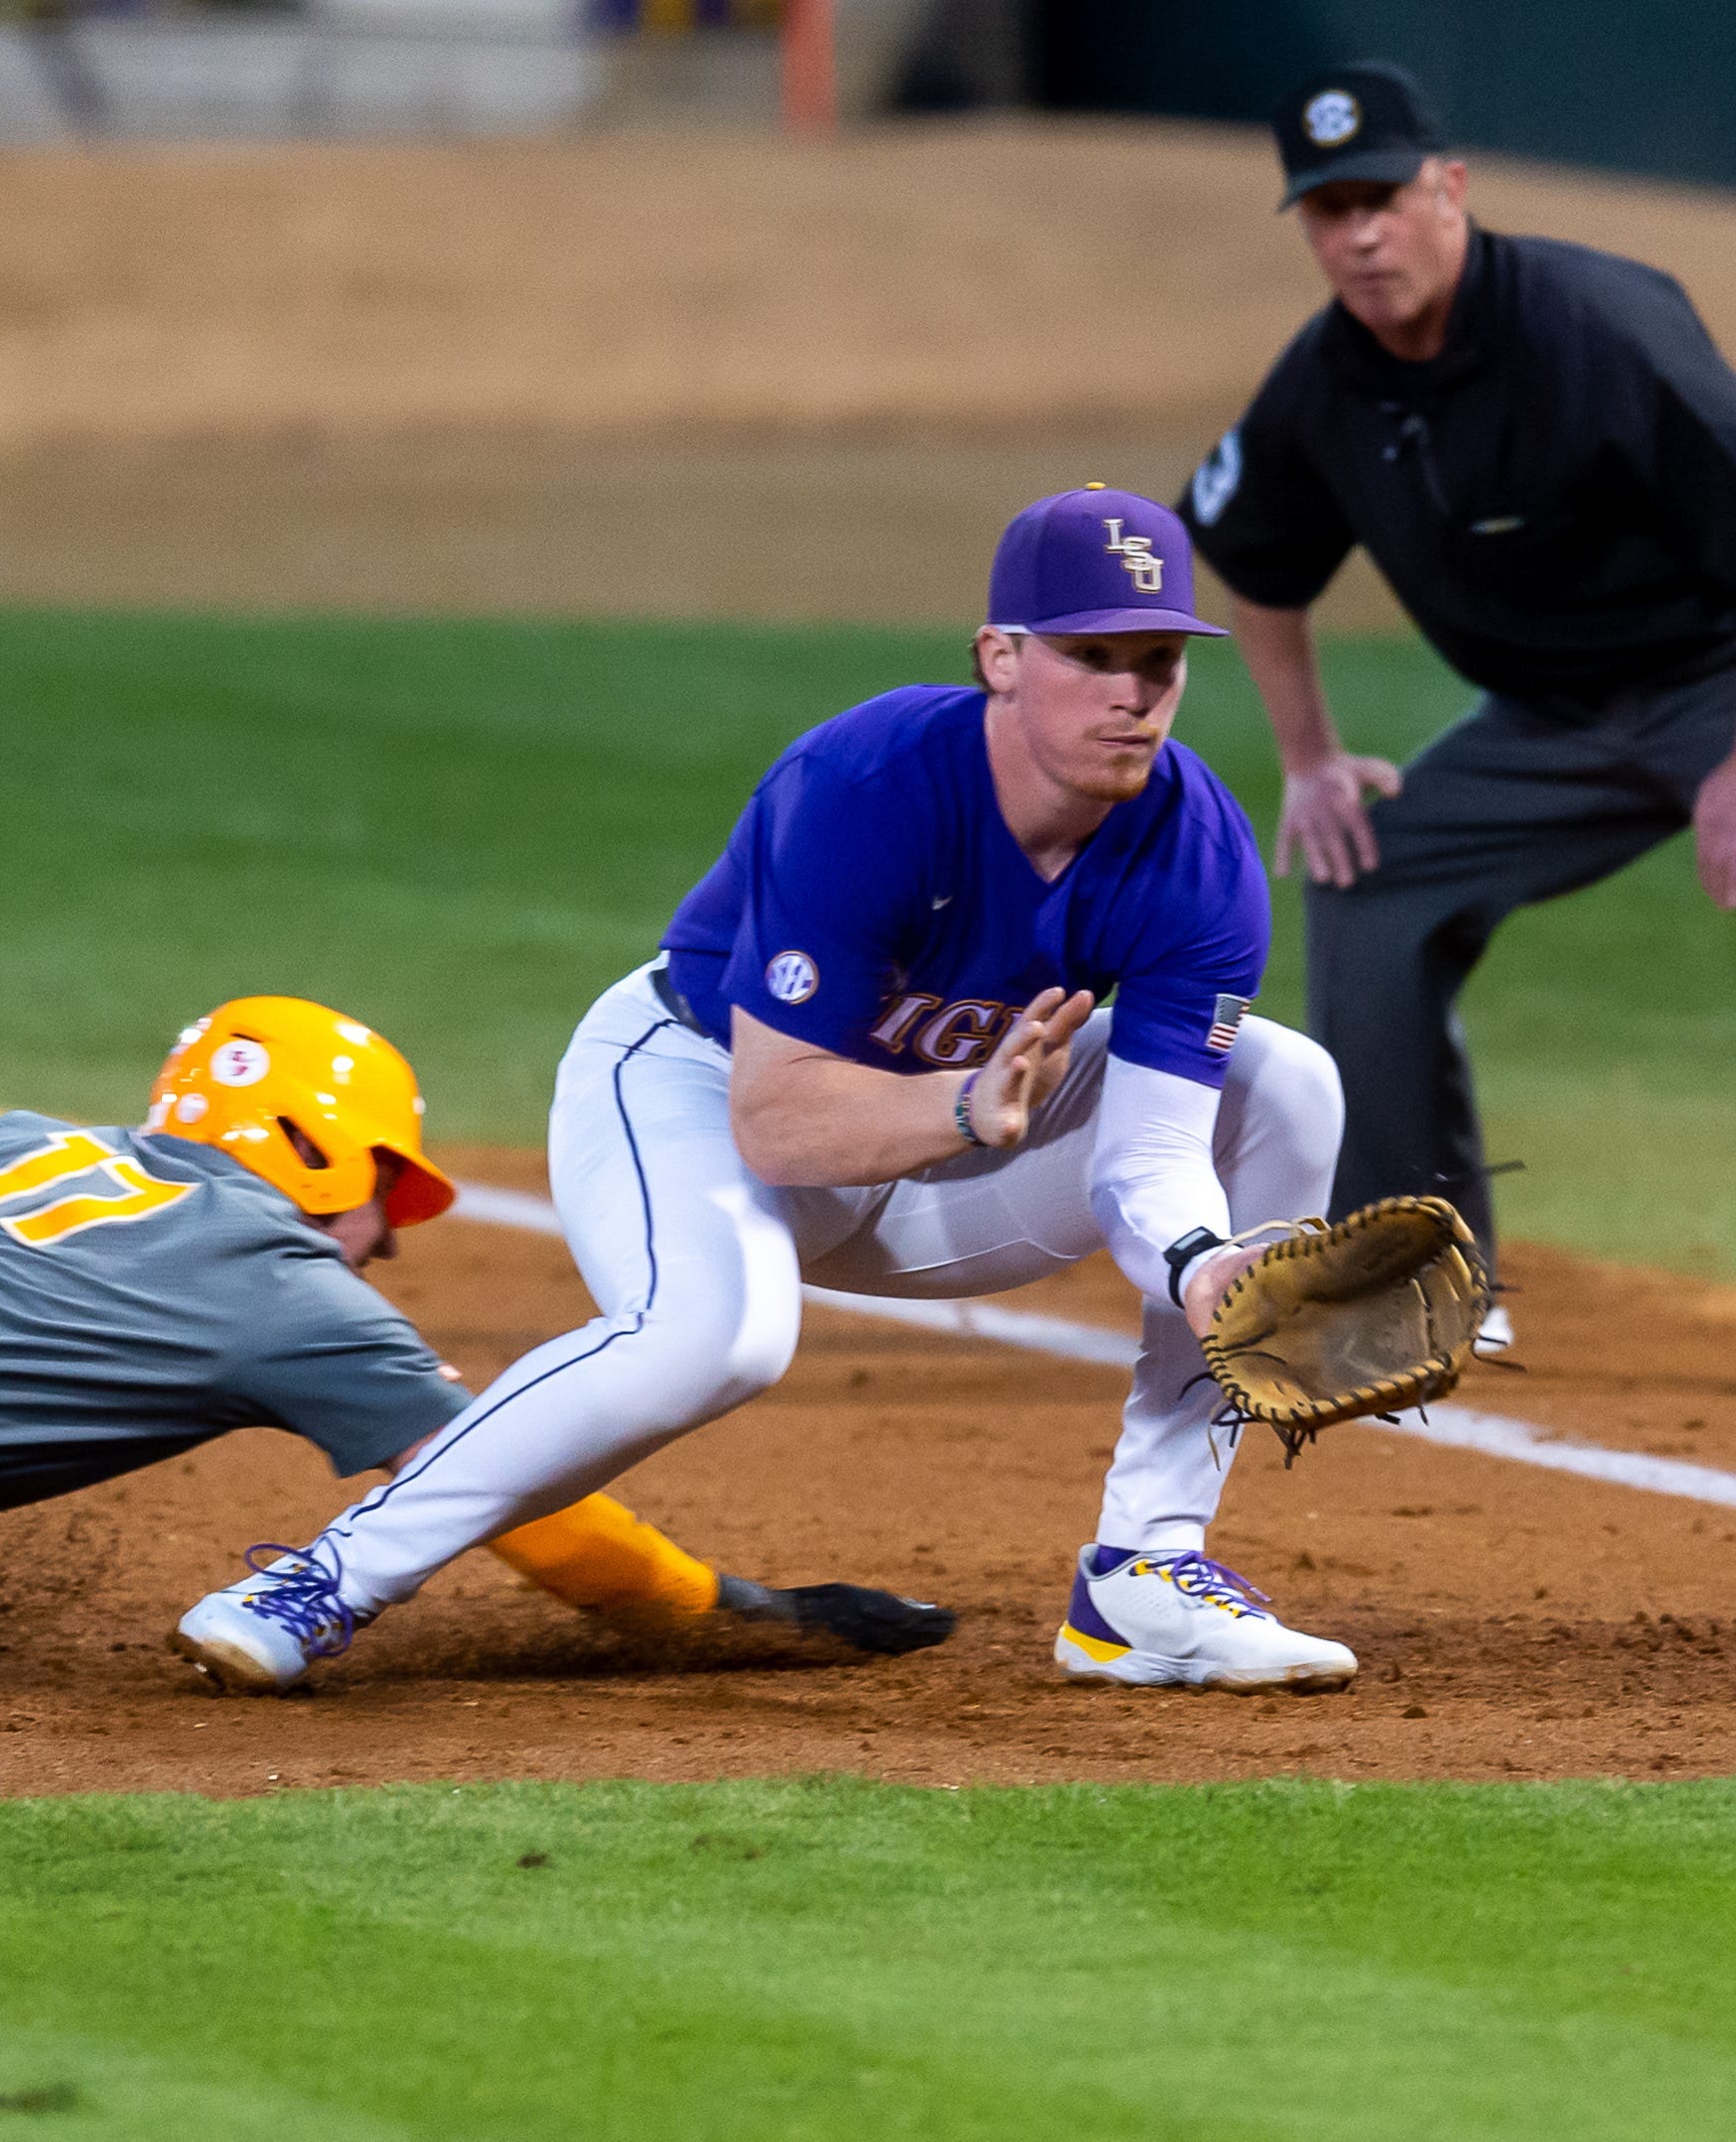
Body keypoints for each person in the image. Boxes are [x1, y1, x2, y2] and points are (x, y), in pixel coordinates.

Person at [176, 488, 1358, 1697]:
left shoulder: (1196, 850)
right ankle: (318, 1581)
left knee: (1288, 1083)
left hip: (937, 1157)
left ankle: (1143, 1577)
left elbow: (1150, 1157)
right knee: (718, 1337)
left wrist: (1206, 1263)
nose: (1133, 693)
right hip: (696, 1093)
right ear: (1000, 657)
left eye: (1158, 661)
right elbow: (778, 1123)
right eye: (1091, 656)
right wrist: (959, 1109)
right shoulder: (872, 785)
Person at [1179, 61, 1736, 1376]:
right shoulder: (1325, 382)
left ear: (1450, 188)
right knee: (1367, 874)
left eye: (1382, 196)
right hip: (1563, 710)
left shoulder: (1591, 322)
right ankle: (1432, 1275)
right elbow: (1246, 553)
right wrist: (1312, 760)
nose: (1361, 234)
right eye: (1328, 211)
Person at [0, 997, 935, 1672]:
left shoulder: (18, 1139)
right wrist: (736, 1613)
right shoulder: (281, 1281)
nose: (389, 1241)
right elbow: (508, 1486)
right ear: (322, 1151)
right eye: (387, 1191)